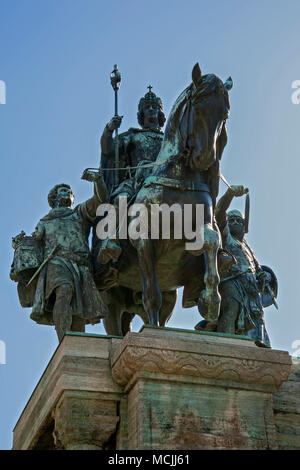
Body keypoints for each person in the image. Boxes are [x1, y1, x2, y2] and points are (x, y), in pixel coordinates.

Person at [29, 172, 109, 341]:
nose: (68, 194)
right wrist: (23, 244)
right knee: (64, 291)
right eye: (63, 191)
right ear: (55, 198)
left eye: (70, 192)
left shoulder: (79, 213)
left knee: (79, 307)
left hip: (81, 265)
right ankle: (64, 339)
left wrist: (98, 180)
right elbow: (35, 243)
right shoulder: (44, 221)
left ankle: (76, 343)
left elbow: (100, 201)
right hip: (57, 262)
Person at [196, 185, 276, 347]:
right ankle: (225, 345)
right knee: (231, 309)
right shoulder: (226, 238)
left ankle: (256, 346)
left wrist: (263, 275)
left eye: (238, 220)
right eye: (230, 220)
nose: (234, 222)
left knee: (256, 316)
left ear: (243, 225)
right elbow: (218, 212)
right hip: (231, 280)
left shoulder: (247, 247)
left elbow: (257, 268)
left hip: (250, 287)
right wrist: (230, 194)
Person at [97, 86, 166, 264]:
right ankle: (111, 238)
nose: (151, 109)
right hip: (138, 179)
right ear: (141, 115)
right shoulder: (132, 136)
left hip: (168, 178)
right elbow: (108, 149)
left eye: (155, 107)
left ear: (160, 113)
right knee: (121, 197)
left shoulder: (170, 139)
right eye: (147, 107)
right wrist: (109, 129)